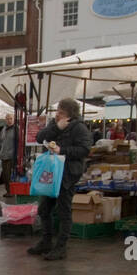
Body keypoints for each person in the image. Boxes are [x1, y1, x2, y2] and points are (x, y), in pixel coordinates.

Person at [28, 98, 92, 261]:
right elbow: (39, 137)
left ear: (70, 114)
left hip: (68, 174)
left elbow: (84, 150)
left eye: (61, 112)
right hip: (51, 174)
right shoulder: (54, 124)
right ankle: (46, 241)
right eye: (58, 111)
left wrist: (61, 150)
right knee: (44, 209)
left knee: (64, 211)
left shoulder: (79, 128)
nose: (57, 114)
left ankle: (61, 247)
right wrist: (57, 127)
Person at [0, 112, 18, 191]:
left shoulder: (16, 129)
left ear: (14, 120)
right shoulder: (4, 129)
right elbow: (1, 142)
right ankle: (8, 190)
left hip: (11, 156)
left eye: (11, 118)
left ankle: (11, 191)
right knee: (5, 175)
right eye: (7, 119)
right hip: (3, 155)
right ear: (5, 120)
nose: (9, 120)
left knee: (9, 175)